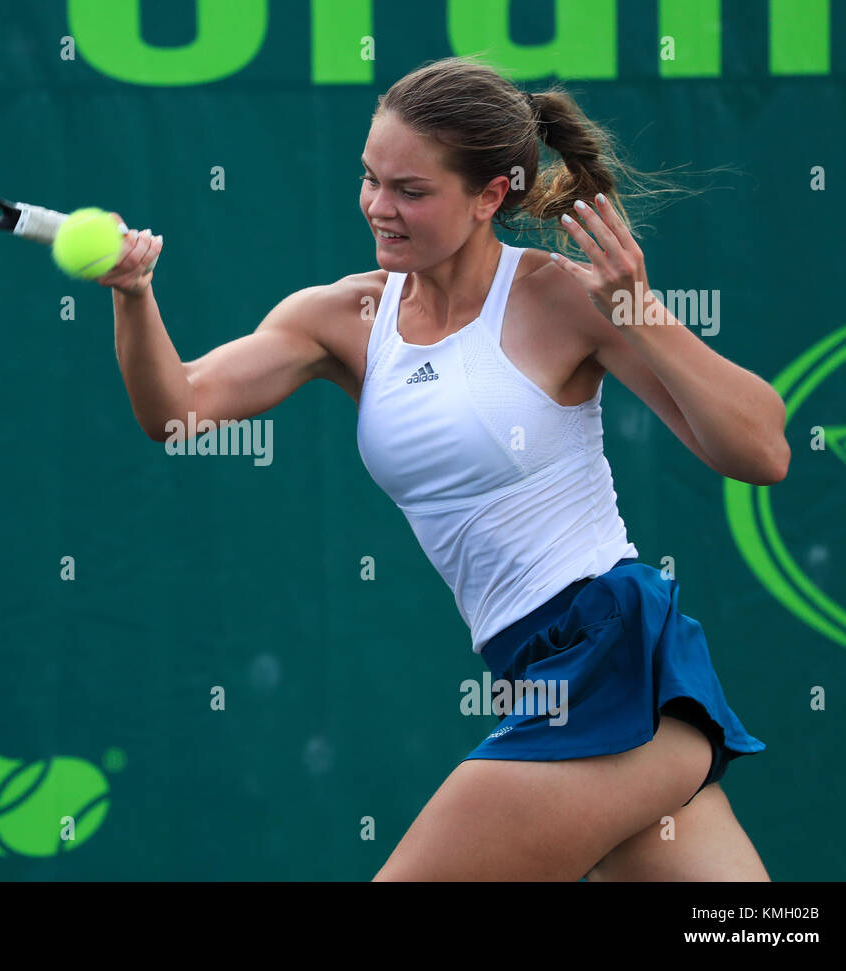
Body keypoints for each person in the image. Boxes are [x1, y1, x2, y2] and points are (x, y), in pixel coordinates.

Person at [97, 57, 788, 881]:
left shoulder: (563, 297)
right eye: (369, 179)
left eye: (410, 190)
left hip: (607, 652)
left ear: (490, 196)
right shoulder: (343, 318)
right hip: (540, 673)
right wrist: (134, 294)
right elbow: (174, 411)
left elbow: (761, 451)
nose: (379, 207)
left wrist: (638, 309)